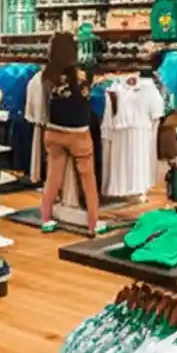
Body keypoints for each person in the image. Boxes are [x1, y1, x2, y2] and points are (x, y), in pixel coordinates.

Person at [39, 33, 105, 236]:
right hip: (79, 134)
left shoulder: (47, 75)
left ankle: (46, 219)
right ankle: (94, 224)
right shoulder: (82, 75)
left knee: (53, 178)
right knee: (88, 179)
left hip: (54, 131)